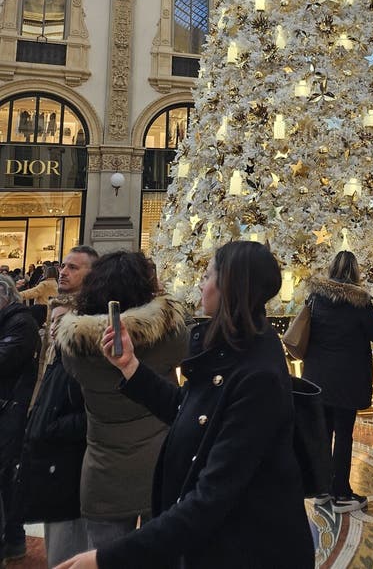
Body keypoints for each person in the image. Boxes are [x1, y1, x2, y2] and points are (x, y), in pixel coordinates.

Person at [55, 241, 315, 569]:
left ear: (230, 286)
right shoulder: (228, 347)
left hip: (249, 549)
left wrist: (107, 558)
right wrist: (130, 367)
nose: (201, 284)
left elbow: (213, 495)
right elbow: (188, 412)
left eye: (208, 275)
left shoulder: (257, 374)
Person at [56, 251, 188, 549]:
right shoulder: (168, 336)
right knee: (164, 554)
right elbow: (185, 339)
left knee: (108, 558)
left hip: (103, 473)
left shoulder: (74, 346)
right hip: (161, 465)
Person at [302, 251, 373, 513]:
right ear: (355, 271)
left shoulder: (315, 297)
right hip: (347, 379)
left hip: (317, 377)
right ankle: (341, 494)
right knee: (344, 435)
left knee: (323, 433)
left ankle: (322, 489)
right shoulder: (360, 302)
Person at [16, 296, 88, 567]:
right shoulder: (56, 357)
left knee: (64, 549)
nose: (54, 327)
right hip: (48, 463)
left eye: (61, 320)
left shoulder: (78, 363)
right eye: (53, 320)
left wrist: (49, 427)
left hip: (66, 467)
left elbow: (92, 414)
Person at [0, 276, 41, 565]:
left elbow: (5, 359)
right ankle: (13, 540)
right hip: (7, 408)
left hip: (11, 410)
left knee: (6, 476)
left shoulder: (21, 323)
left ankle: (11, 541)